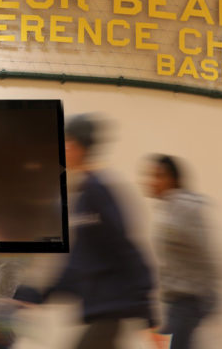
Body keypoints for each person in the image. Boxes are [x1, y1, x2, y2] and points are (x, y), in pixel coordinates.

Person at [44, 114, 155, 349]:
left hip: (110, 306)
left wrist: (146, 305)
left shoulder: (98, 190)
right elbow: (81, 256)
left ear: (81, 146)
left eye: (67, 142)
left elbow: (122, 246)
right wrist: (44, 292)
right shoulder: (83, 192)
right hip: (99, 306)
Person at [144, 155, 217, 349]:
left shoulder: (183, 208)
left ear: (172, 179)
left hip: (189, 298)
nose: (151, 181)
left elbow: (204, 251)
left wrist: (207, 292)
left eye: (157, 176)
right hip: (176, 298)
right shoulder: (168, 208)